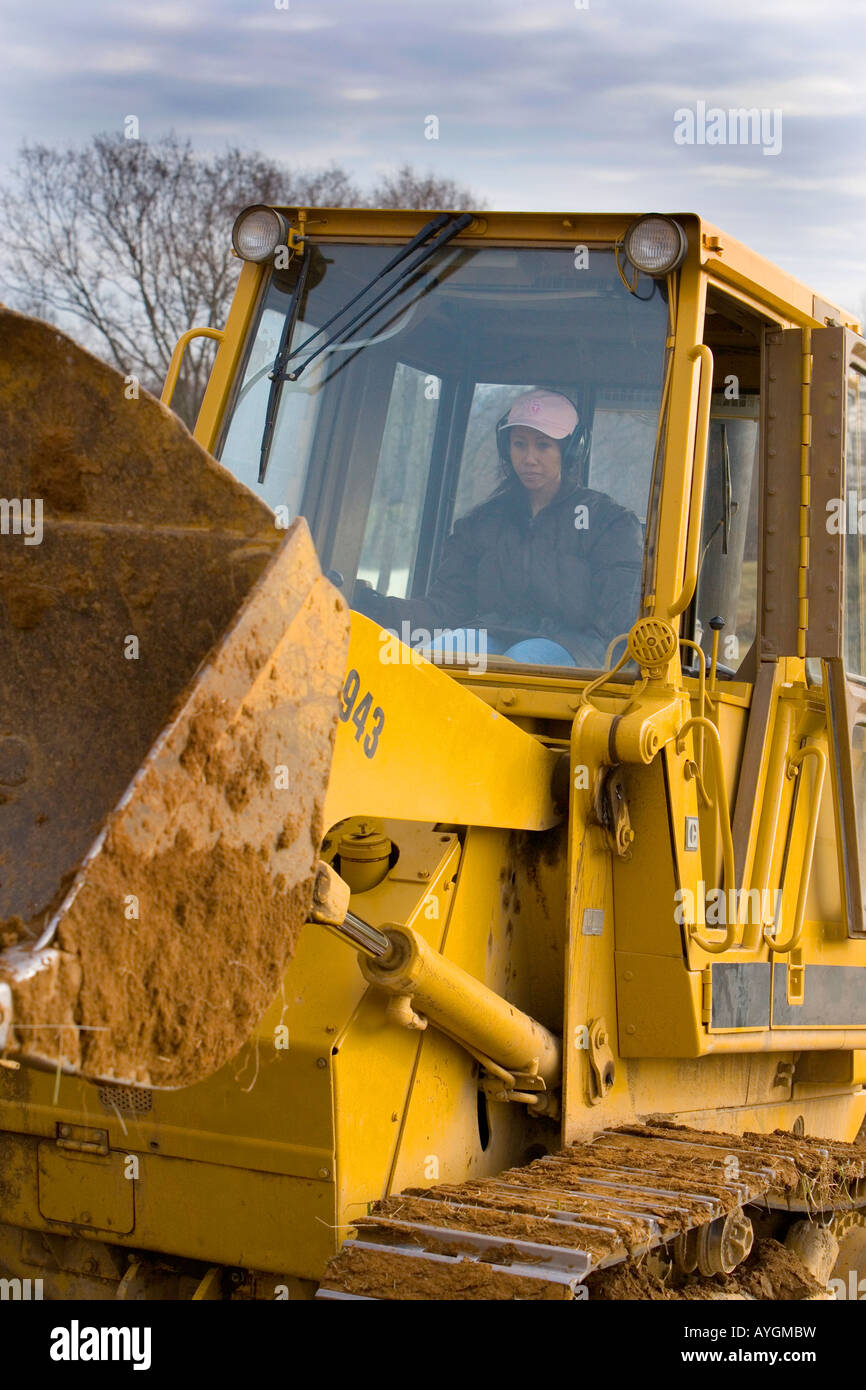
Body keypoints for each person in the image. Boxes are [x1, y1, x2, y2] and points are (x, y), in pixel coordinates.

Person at [352, 388, 643, 668]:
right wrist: (373, 607)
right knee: (437, 657)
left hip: (575, 647)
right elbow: (448, 607)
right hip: (491, 635)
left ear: (569, 451)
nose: (529, 458)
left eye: (543, 445)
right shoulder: (482, 523)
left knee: (520, 661)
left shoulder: (609, 525)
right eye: (519, 444)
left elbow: (614, 628)